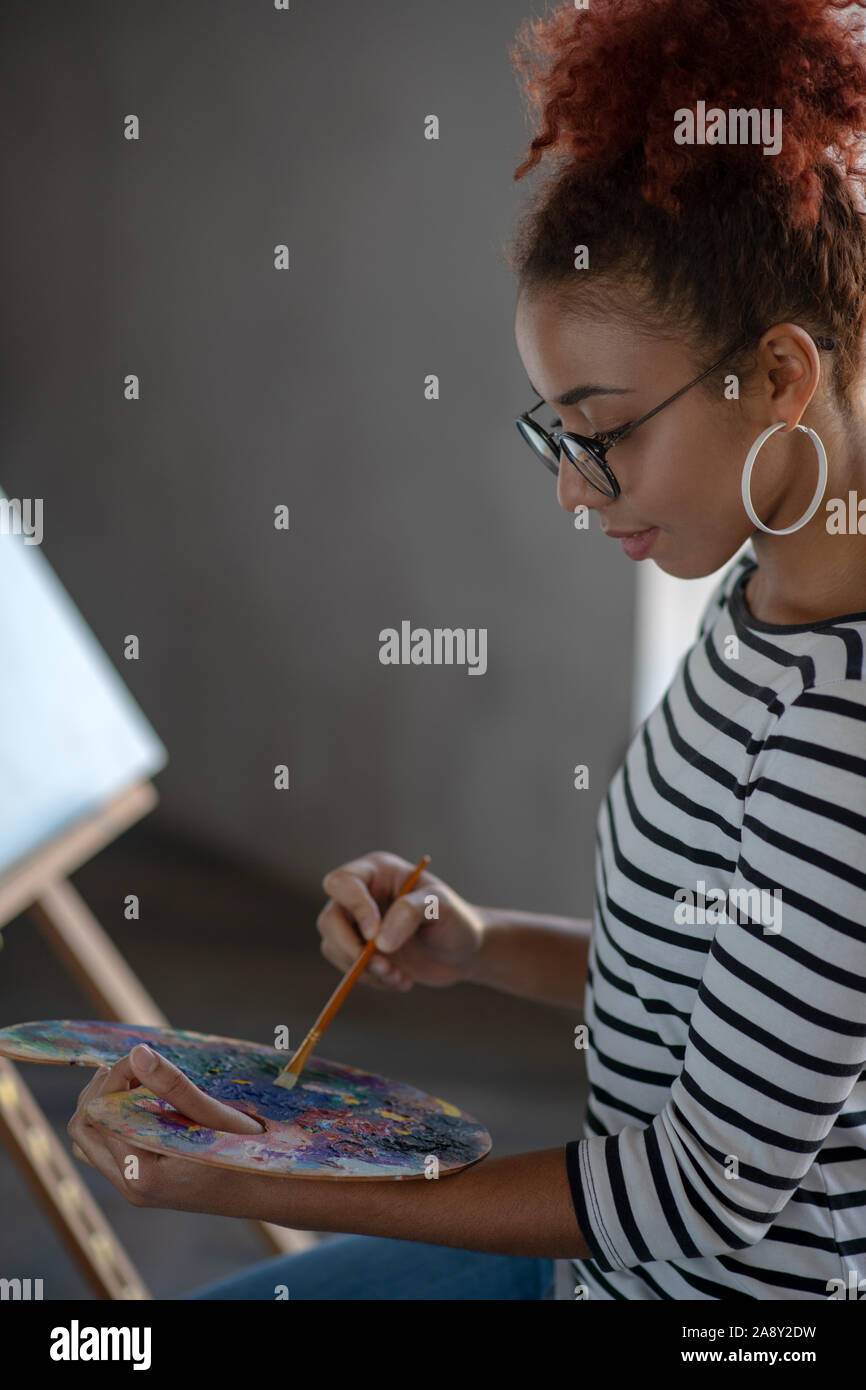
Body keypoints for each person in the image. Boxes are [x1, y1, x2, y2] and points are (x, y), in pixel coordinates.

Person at [69, 0, 866, 1300]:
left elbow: (694, 1186)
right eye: (554, 435)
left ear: (778, 375)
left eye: (601, 431)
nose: (573, 491)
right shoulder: (758, 593)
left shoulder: (844, 736)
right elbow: (710, 967)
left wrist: (261, 1175)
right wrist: (480, 940)